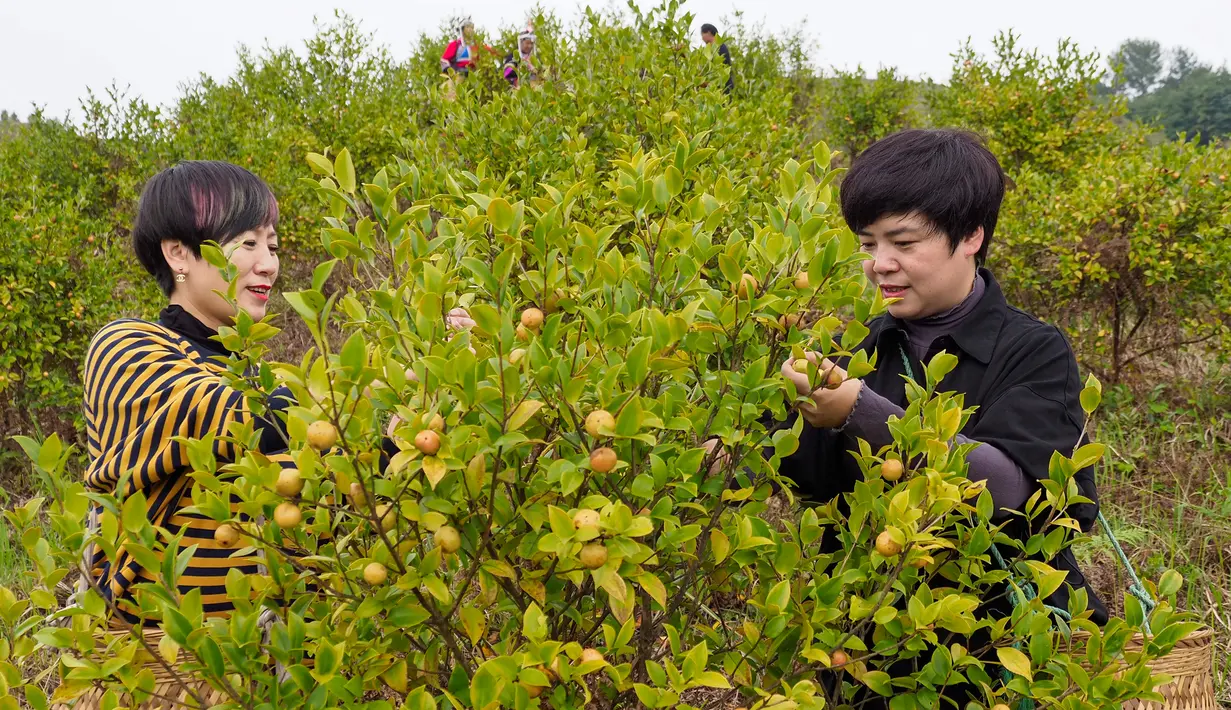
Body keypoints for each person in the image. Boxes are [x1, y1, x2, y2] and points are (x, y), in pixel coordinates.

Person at [770, 129, 1107, 698]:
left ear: (971, 235)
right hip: (863, 649)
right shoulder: (855, 347)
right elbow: (805, 480)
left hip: (997, 657)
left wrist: (859, 410)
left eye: (902, 241)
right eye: (867, 244)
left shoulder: (1033, 350)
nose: (881, 264)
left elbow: (1012, 489)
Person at [700, 23, 733, 95]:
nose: (702, 37)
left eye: (702, 34)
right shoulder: (710, 50)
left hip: (723, 86)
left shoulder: (720, 47)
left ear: (708, 32)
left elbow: (722, 67)